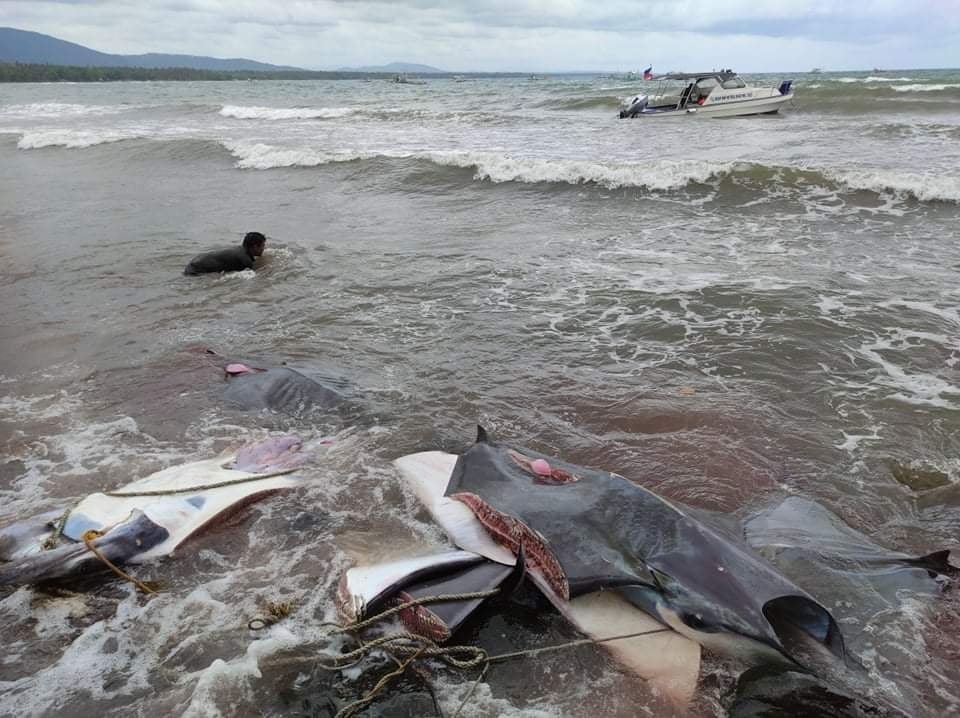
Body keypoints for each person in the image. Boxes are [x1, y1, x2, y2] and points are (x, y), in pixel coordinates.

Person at [183, 232, 266, 276]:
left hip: (196, 262)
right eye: (263, 246)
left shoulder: (241, 250)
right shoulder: (245, 259)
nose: (263, 248)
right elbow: (251, 274)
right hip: (196, 269)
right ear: (255, 247)